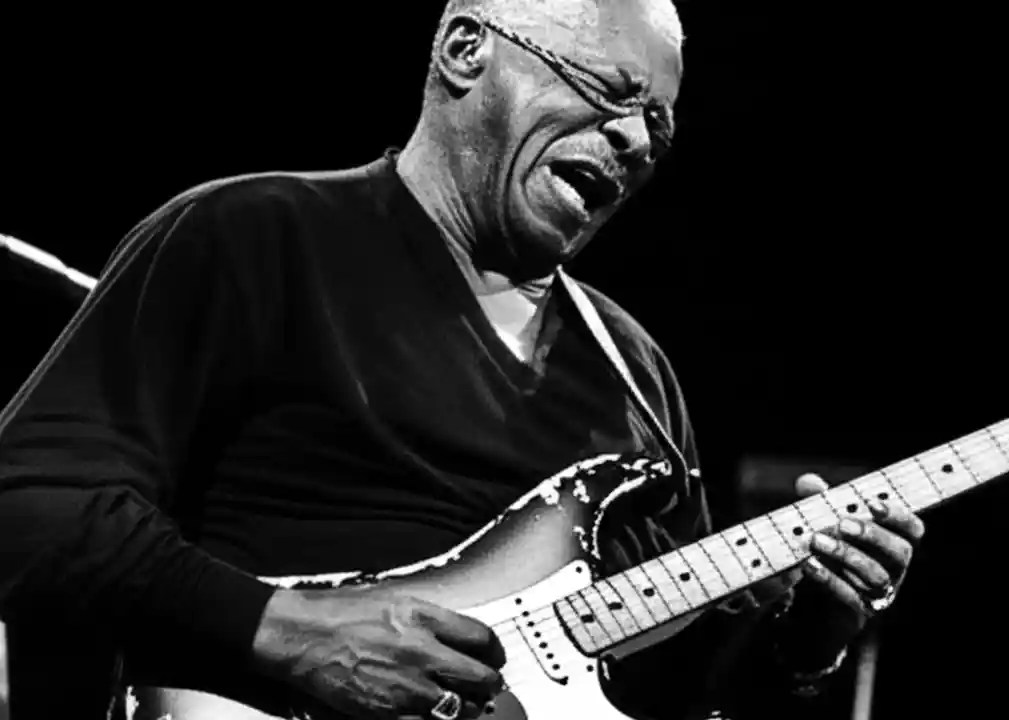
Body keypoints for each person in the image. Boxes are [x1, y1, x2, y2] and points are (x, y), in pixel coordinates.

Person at [0, 1, 925, 718]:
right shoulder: (251, 237)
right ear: (466, 52)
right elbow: (28, 505)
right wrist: (285, 631)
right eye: (608, 90)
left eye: (660, 126)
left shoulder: (637, 374)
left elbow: (664, 690)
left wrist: (805, 634)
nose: (638, 142)